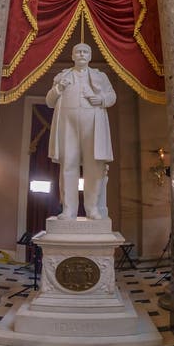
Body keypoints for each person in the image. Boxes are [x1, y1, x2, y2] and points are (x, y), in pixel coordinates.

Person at [46, 42, 116, 219]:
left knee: (94, 167)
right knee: (68, 165)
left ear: (90, 56)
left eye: (85, 52)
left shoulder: (100, 76)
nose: (82, 55)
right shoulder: (63, 76)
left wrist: (100, 99)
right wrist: (59, 88)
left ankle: (92, 208)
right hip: (68, 124)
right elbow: (49, 101)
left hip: (93, 124)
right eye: (78, 52)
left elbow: (112, 96)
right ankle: (69, 210)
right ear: (72, 56)